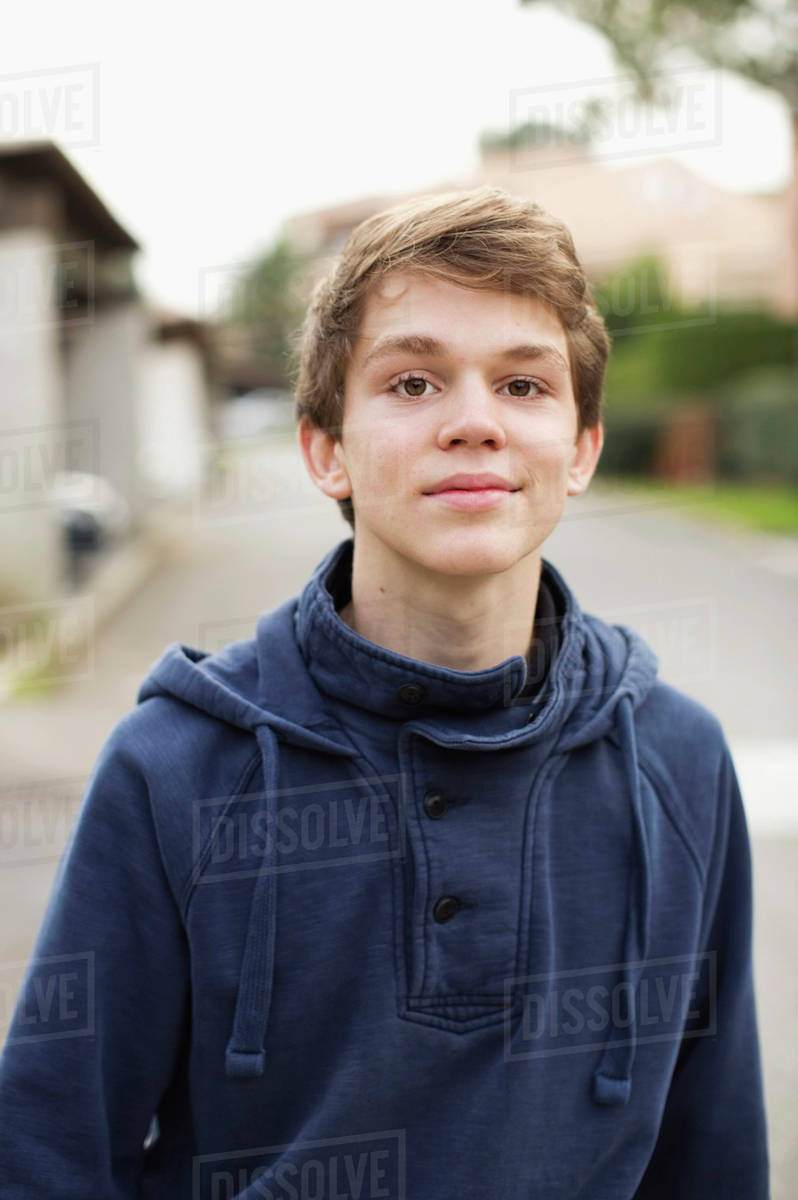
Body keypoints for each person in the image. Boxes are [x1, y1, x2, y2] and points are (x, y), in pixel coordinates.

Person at [0, 186, 769, 1198]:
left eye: (525, 386)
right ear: (326, 450)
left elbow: (712, 1157)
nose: (474, 424)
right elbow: (49, 1154)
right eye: (413, 383)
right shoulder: (177, 767)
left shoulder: (678, 760)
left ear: (580, 449)